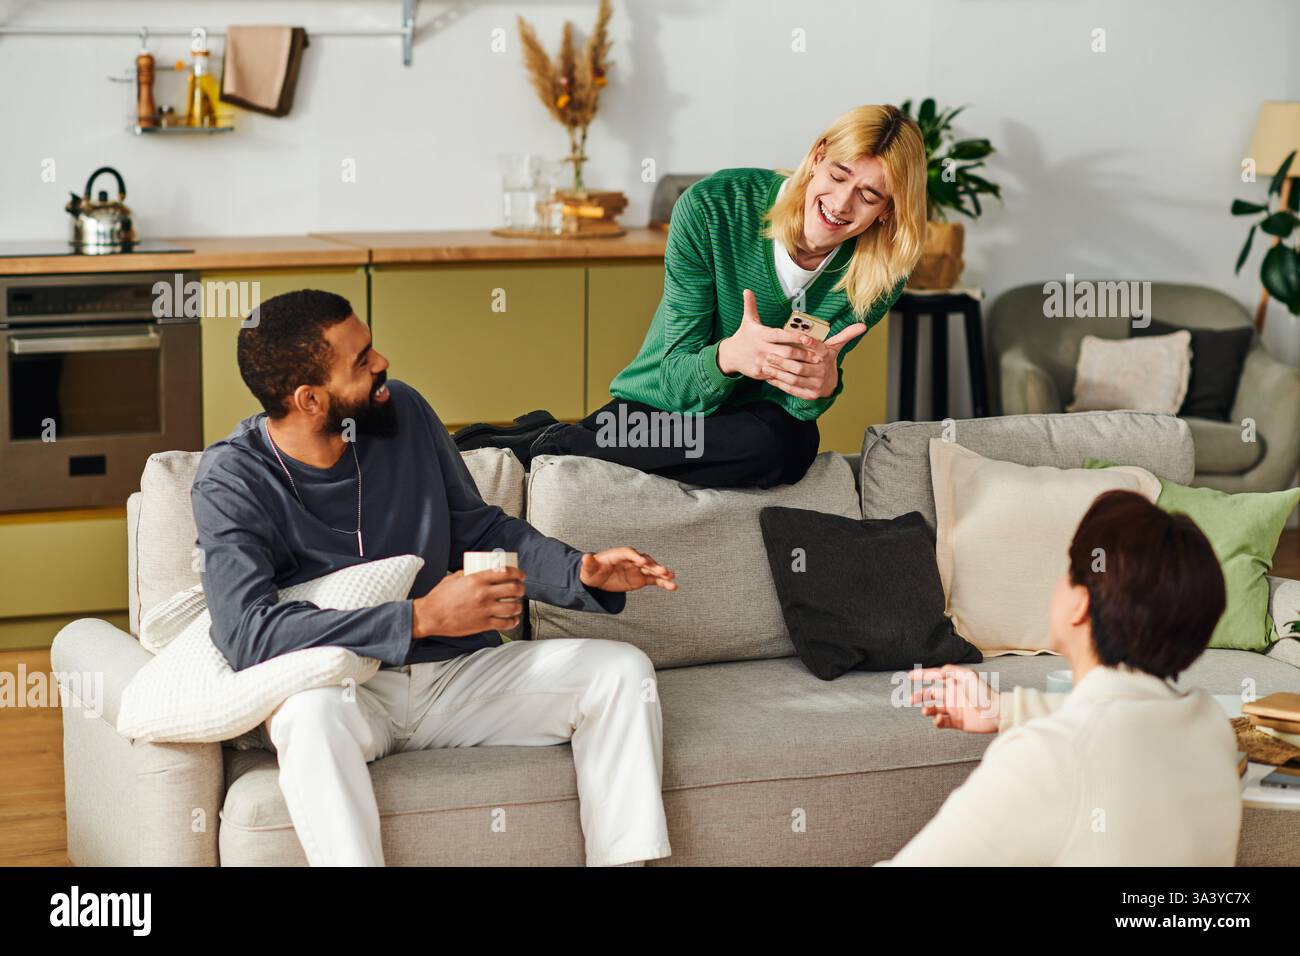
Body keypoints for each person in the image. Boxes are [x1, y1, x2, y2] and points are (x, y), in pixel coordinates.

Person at [191, 289, 678, 867]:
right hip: (348, 691)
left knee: (621, 672)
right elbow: (248, 632)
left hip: (456, 676)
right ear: (310, 399)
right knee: (307, 717)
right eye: (362, 359)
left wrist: (582, 570)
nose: (383, 363)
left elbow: (478, 530)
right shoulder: (231, 479)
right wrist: (420, 617)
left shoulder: (404, 412)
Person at [455, 104, 927, 488]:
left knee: (789, 446)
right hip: (663, 402)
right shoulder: (714, 207)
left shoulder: (880, 270)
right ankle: (551, 441)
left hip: (750, 423)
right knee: (745, 443)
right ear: (818, 156)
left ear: (887, 211)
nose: (841, 205)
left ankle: (583, 442)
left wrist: (820, 387)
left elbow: (794, 406)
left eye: (868, 196)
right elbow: (678, 381)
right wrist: (729, 356)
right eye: (839, 175)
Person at [881, 490, 1241, 866]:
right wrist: (1002, 708)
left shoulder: (1044, 758)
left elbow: (1081, 744)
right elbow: (1119, 722)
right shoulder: (1209, 725)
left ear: (1080, 605)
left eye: (1068, 571)